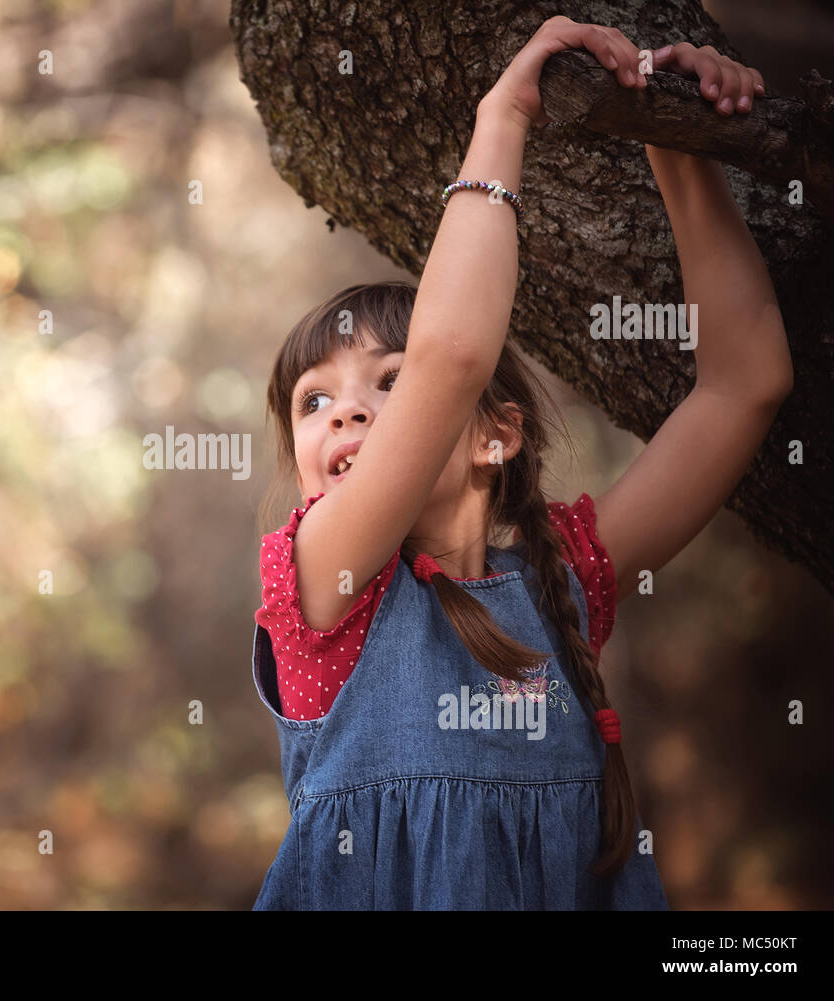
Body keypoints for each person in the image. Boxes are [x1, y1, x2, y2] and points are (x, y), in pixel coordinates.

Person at [250, 17, 792, 909]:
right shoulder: (321, 585)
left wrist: (678, 140)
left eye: (389, 380)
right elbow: (454, 355)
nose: (344, 408)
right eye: (314, 400)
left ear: (493, 436)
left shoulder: (567, 581)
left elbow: (746, 385)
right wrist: (500, 116)